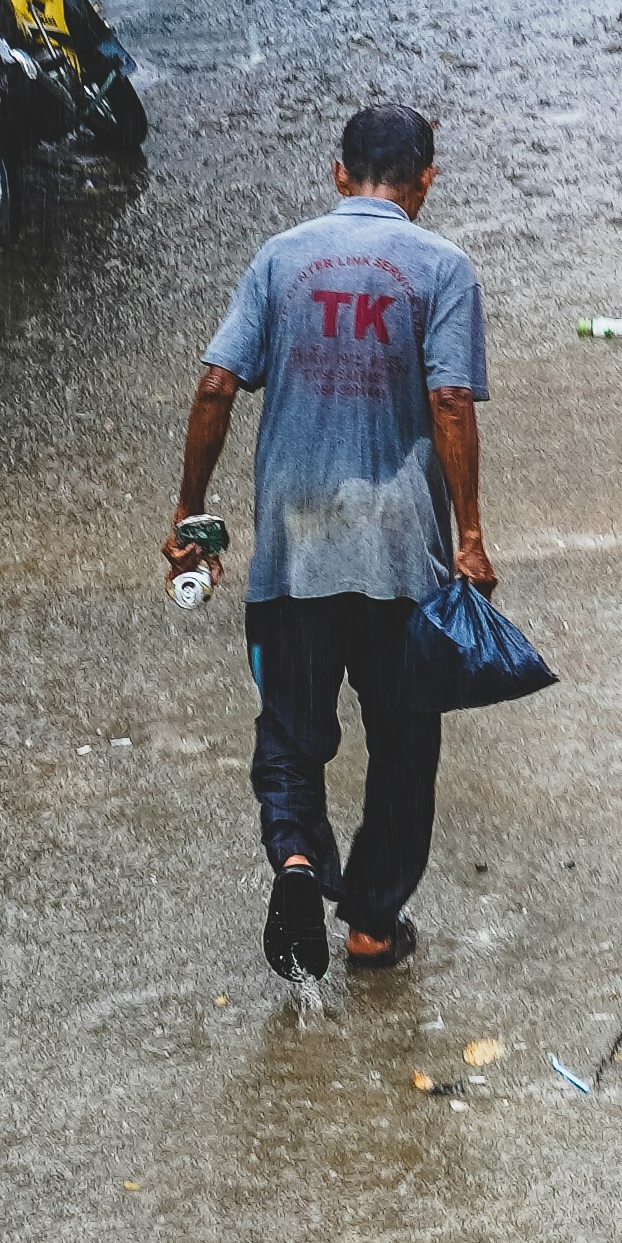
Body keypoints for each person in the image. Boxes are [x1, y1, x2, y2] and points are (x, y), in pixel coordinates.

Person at [170, 101, 493, 986]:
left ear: (337, 173)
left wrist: (189, 518)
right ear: (425, 180)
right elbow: (452, 403)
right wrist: (469, 537)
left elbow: (213, 386)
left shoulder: (282, 258)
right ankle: (372, 927)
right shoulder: (444, 269)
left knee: (291, 736)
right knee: (402, 744)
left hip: (294, 546)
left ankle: (299, 864)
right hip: (399, 556)